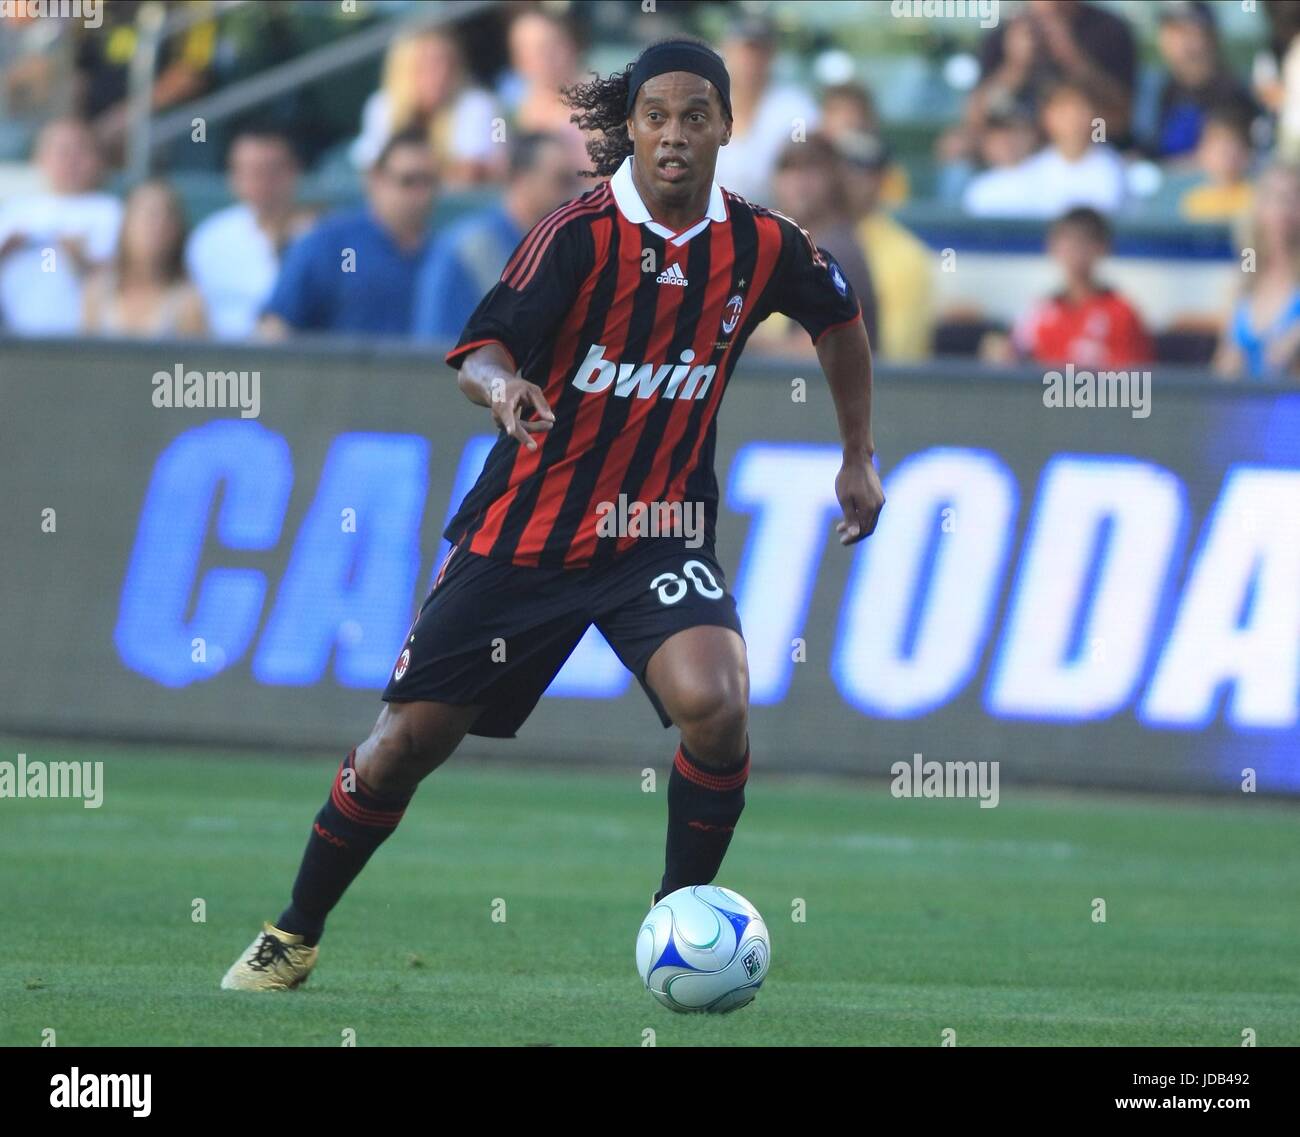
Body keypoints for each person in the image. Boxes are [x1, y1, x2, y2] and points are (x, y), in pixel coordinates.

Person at [221, 38, 885, 990]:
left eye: (696, 116)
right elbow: (483, 347)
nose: (673, 136)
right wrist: (501, 390)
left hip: (656, 533)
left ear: (728, 127)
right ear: (631, 128)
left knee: (719, 702)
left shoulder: (763, 241)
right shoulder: (576, 234)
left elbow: (838, 315)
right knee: (402, 746)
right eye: (654, 116)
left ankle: (678, 922)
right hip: (524, 534)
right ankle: (294, 932)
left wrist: (856, 453)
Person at [260, 129, 437, 338]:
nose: (421, 194)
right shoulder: (329, 243)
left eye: (429, 182)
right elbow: (275, 328)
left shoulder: (444, 253)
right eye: (408, 181)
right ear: (376, 180)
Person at [412, 131, 579, 344]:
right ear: (522, 179)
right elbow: (432, 352)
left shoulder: (569, 248)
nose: (572, 194)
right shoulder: (465, 249)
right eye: (562, 181)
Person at [748, 132, 878, 356]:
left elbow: (818, 349)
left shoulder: (837, 250)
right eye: (789, 169)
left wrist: (736, 343)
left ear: (834, 179)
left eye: (811, 170)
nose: (799, 182)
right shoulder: (788, 245)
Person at [186, 128, 315, 341]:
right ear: (233, 177)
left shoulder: (323, 238)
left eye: (272, 170)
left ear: (294, 172)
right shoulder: (209, 238)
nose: (263, 182)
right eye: (252, 171)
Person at [985, 207, 1152, 368]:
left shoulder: (1121, 313)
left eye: (1083, 242)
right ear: (1053, 247)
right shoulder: (1038, 312)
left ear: (1103, 247)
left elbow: (1135, 380)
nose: (1075, 251)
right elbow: (1012, 357)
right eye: (1067, 241)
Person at [0, 118, 122, 336]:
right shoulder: (14, 212)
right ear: (40, 159)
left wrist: (82, 261)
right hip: (13, 341)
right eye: (62, 152)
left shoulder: (111, 212)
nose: (71, 162)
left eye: (80, 152)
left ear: (98, 160)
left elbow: (134, 281)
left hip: (86, 343)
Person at [350, 27, 502, 185]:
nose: (441, 73)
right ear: (405, 68)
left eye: (448, 64)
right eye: (428, 65)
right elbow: (371, 168)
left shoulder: (480, 104)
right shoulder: (382, 105)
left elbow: (471, 172)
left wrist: (406, 176)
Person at [963, 81, 1126, 219]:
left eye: (1080, 109)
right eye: (1064, 110)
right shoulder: (1013, 178)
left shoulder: (1112, 168)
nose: (1073, 118)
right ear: (1047, 116)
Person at [838, 131, 935, 363]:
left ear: (881, 180)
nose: (849, 179)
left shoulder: (907, 256)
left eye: (862, 171)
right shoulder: (795, 239)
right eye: (840, 168)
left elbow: (893, 353)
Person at [710, 15, 820, 204]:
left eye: (760, 52)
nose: (750, 60)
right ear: (727, 50)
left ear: (772, 55)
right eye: (744, 50)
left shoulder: (796, 108)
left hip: (775, 218)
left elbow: (808, 169)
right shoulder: (704, 102)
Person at [82, 179, 206, 339]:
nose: (158, 227)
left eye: (167, 218)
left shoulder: (190, 304)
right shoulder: (96, 294)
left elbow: (189, 364)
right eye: (149, 216)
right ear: (126, 224)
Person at [1215, 164, 1300, 381]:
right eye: (1272, 197)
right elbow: (1226, 359)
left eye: (1291, 198)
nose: (1281, 208)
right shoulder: (1249, 264)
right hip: (1244, 404)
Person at [1142, 0, 1255, 162]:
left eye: (1186, 31)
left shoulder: (1231, 92)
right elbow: (1147, 146)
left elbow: (1228, 157)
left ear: (1209, 37)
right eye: (1171, 31)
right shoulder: (1159, 88)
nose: (1178, 41)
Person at [1180, 109, 1255, 223]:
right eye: (1219, 151)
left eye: (1232, 149)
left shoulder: (1255, 198)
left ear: (1245, 154)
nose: (1226, 158)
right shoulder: (1194, 201)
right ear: (1203, 154)